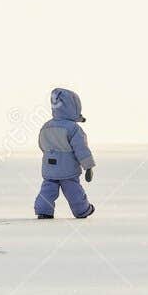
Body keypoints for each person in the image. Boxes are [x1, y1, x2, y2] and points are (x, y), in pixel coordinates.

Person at [35, 87, 95, 219]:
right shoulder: (73, 128)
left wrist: (51, 153)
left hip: (49, 167)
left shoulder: (46, 126)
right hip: (67, 168)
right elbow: (81, 149)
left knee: (48, 189)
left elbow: (41, 145)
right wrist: (88, 166)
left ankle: (43, 210)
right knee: (73, 190)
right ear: (74, 108)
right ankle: (82, 210)